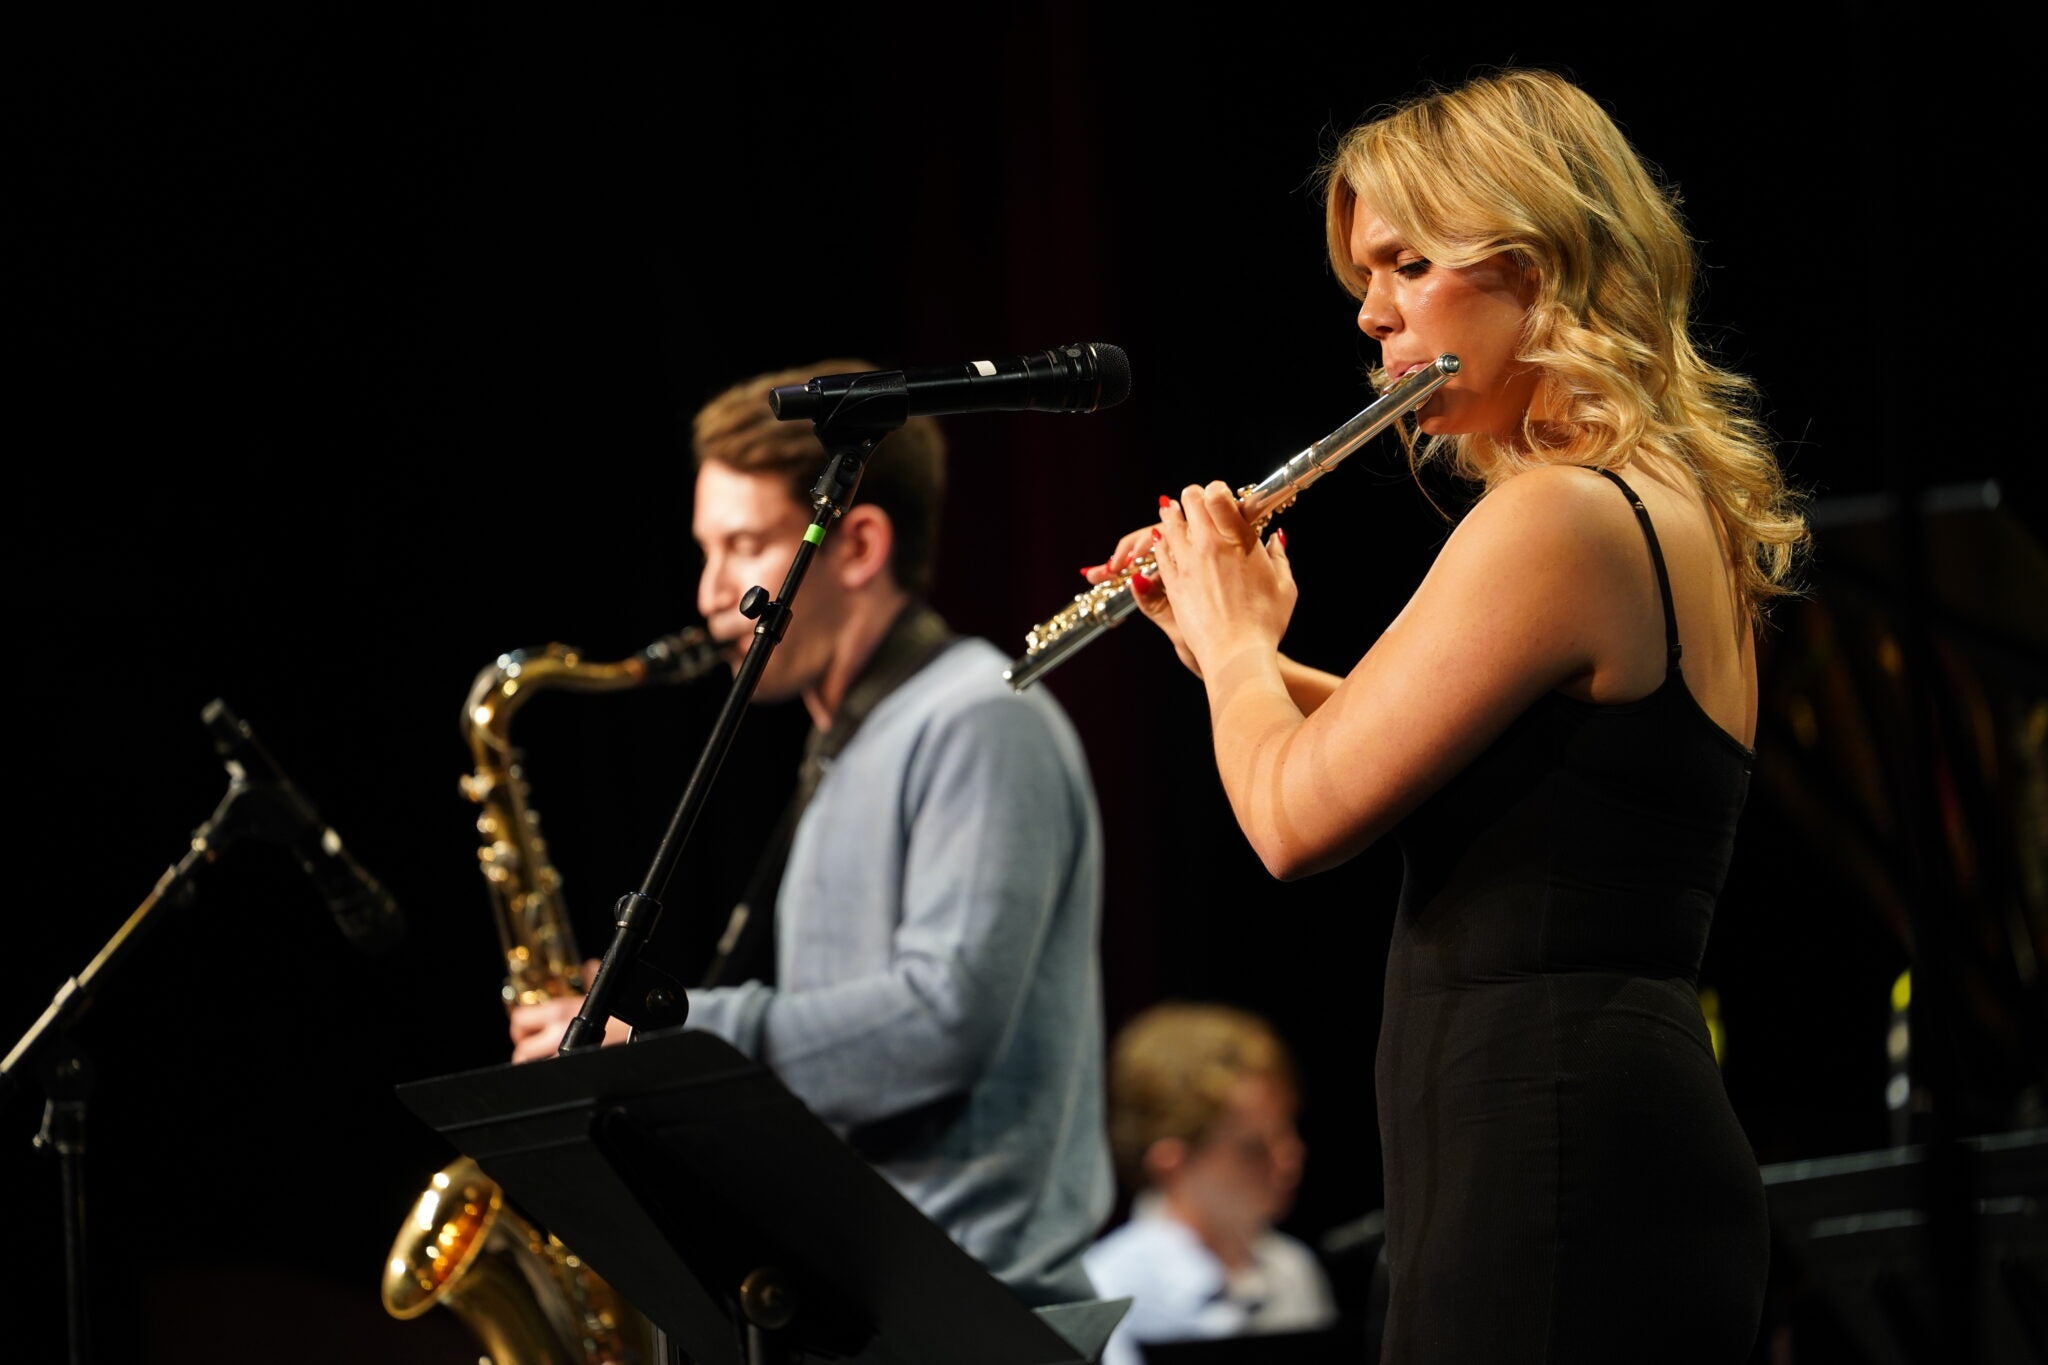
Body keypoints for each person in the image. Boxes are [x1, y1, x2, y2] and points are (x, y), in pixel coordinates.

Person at [1087, 71, 1805, 1361]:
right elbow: (1428, 749)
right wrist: (1214, 642)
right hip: (1588, 1126)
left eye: (1406, 265)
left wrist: (1243, 638)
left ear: (1539, 267)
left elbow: (1292, 818)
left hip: (1549, 1135)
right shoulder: (1647, 500)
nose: (1370, 316)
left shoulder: (1554, 516)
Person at [511, 361, 1113, 1307]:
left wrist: (673, 1036)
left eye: (744, 545)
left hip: (976, 1308)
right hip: (877, 1293)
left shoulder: (977, 717)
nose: (710, 591)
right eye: (705, 549)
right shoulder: (850, 742)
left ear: (859, 543)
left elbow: (940, 1019)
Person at [1084, 1003, 1336, 1365]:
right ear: (1172, 1163)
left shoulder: (1292, 1269)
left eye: (1287, 1131)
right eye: (1252, 1148)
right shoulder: (1109, 1289)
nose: (1288, 1158)